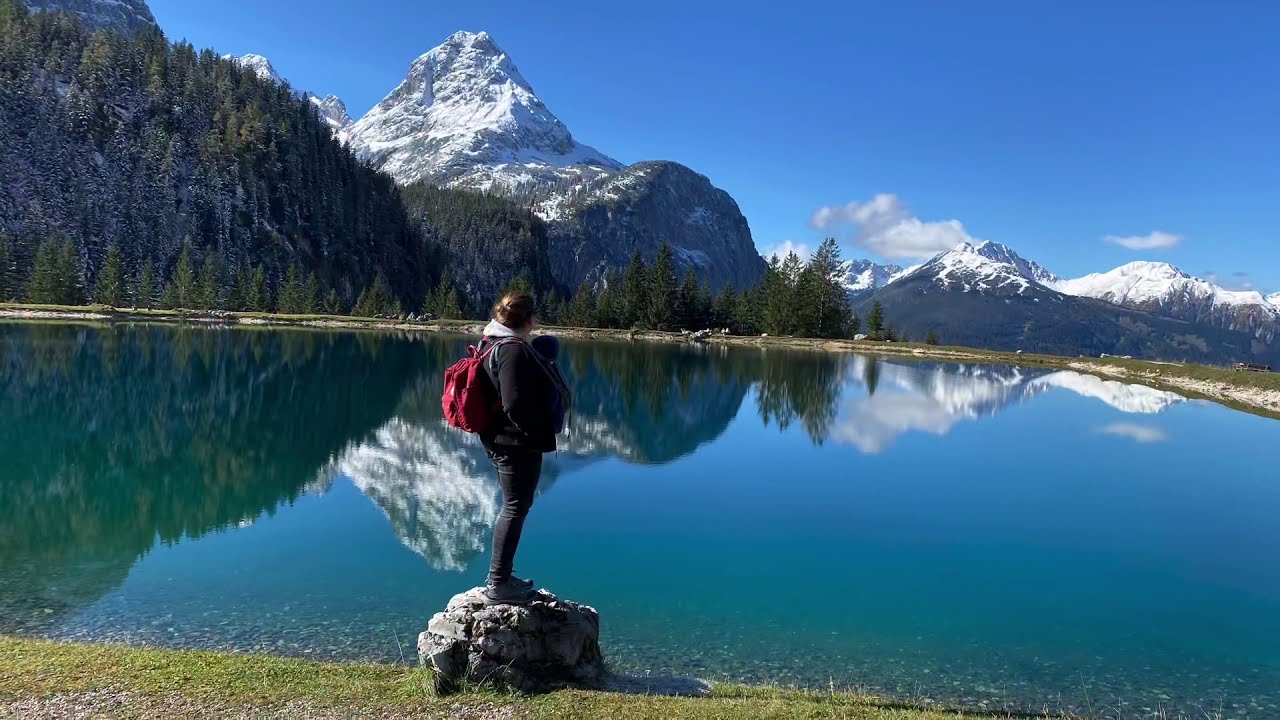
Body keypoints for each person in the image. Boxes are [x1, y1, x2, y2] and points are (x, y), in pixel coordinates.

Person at [477, 292, 565, 605]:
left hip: (502, 438)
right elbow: (514, 402)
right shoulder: (511, 350)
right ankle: (498, 582)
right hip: (513, 443)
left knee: (515, 506)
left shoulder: (494, 341)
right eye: (535, 316)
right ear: (528, 319)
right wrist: (534, 432)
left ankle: (502, 577)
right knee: (515, 507)